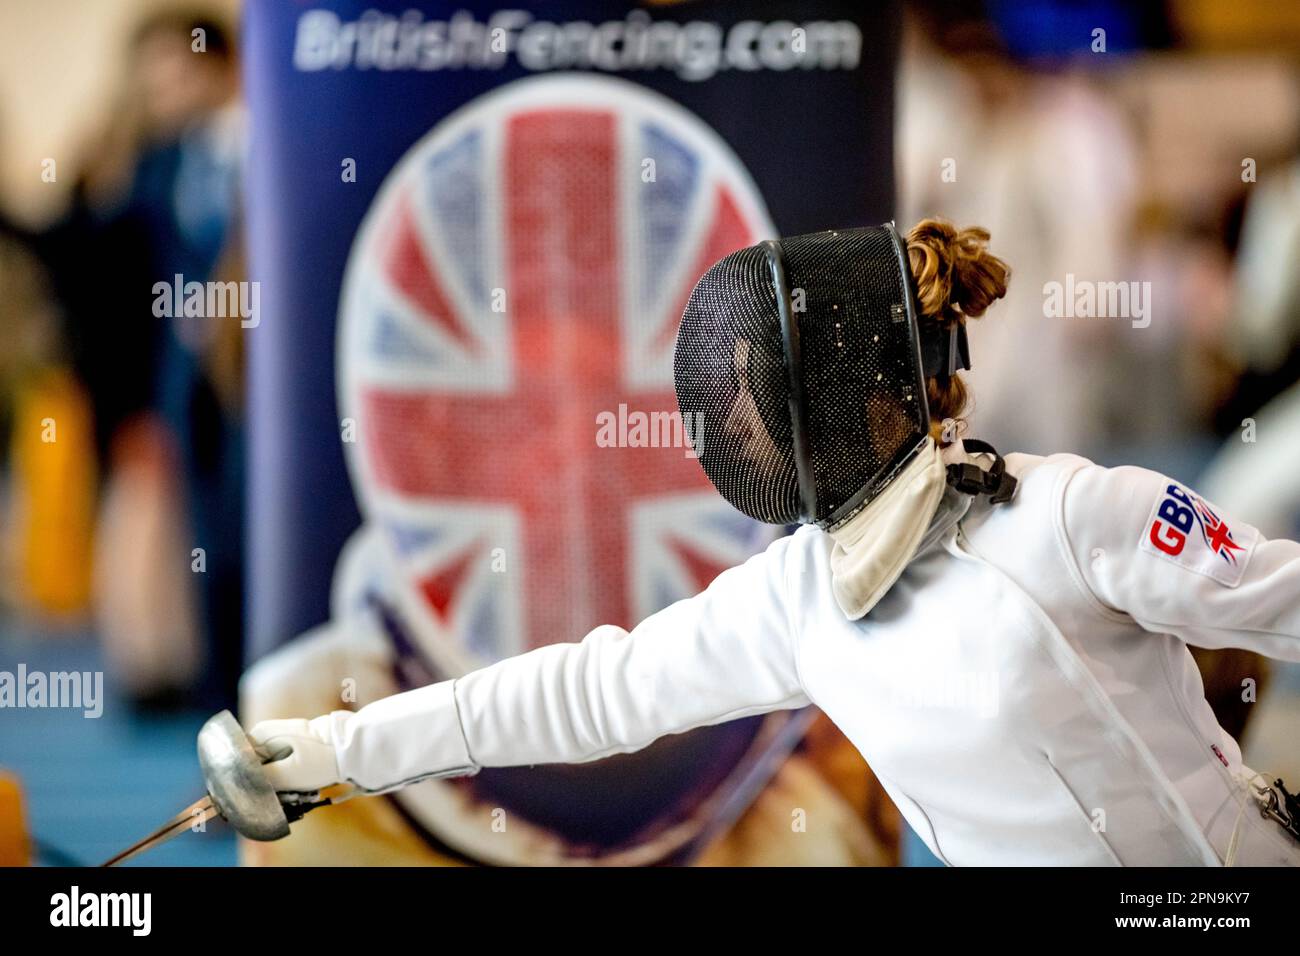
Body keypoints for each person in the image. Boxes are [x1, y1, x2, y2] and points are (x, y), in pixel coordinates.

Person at [249, 219, 1300, 866]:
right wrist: (340, 750)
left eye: (749, 399)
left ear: (843, 391)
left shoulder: (1071, 515)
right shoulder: (800, 599)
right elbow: (585, 691)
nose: (732, 429)